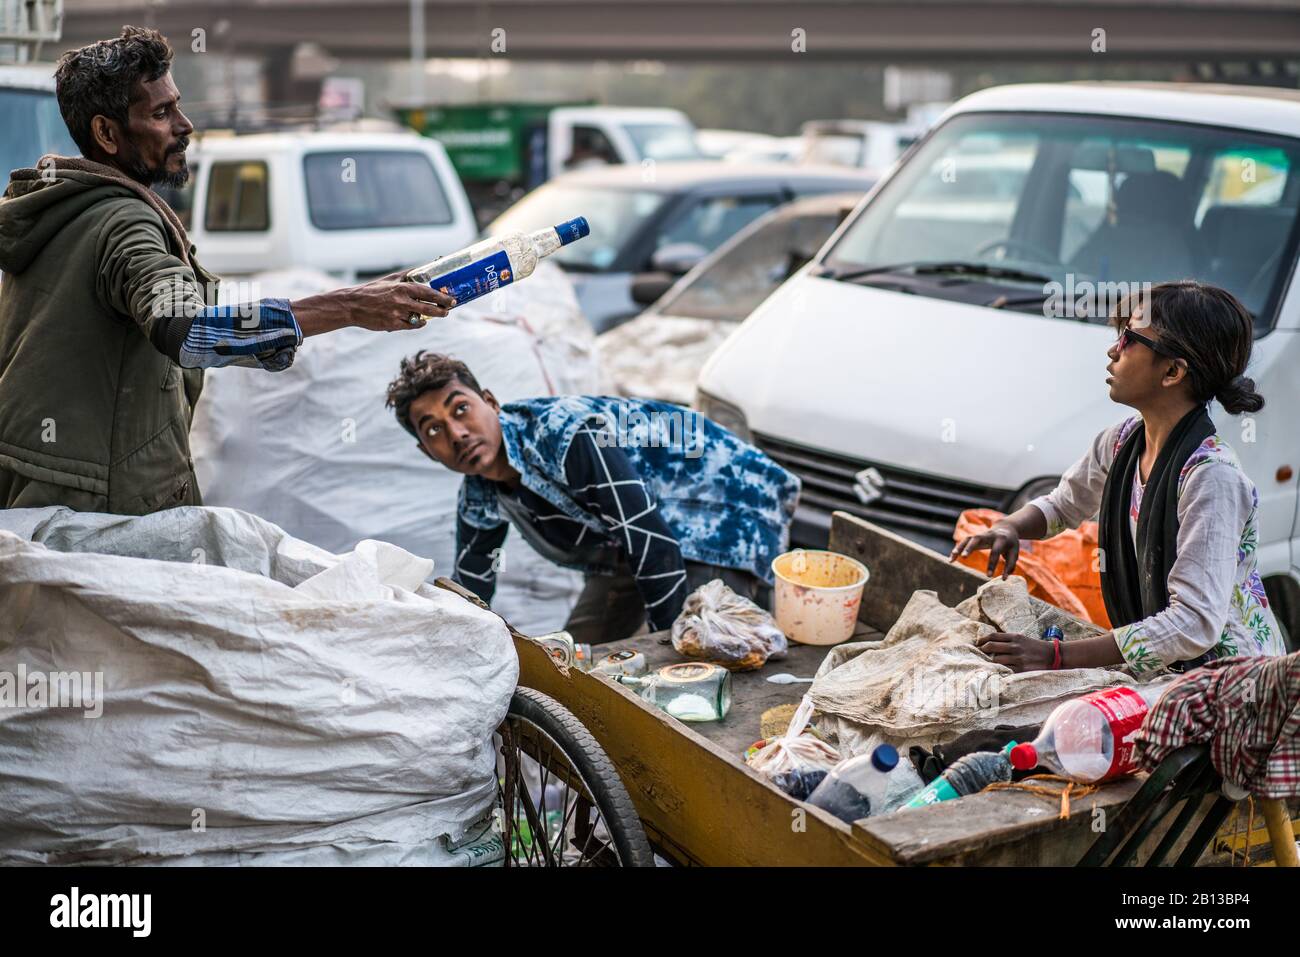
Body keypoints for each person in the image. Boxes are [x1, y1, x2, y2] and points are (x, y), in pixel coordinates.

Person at [0, 27, 453, 514]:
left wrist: (338, 303)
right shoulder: (123, 223)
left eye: (177, 105)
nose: (185, 124)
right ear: (106, 134)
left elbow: (189, 314)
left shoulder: (60, 210)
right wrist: (350, 306)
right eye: (160, 113)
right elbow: (190, 330)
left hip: (36, 497)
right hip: (99, 515)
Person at [952, 280, 1287, 677]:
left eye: (1129, 340)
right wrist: (1010, 526)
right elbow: (1064, 504)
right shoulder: (1123, 441)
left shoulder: (1211, 480)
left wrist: (1055, 656)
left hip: (1229, 684)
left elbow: (1194, 624)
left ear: (1172, 371)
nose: (1113, 351)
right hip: (1167, 670)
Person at [385, 351, 799, 643]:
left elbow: (652, 542)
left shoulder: (565, 434)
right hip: (635, 541)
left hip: (719, 504)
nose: (456, 434)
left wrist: (670, 651)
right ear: (425, 449)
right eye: (434, 429)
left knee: (712, 643)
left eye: (460, 410)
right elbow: (471, 597)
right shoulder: (478, 495)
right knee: (577, 667)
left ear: (491, 402)